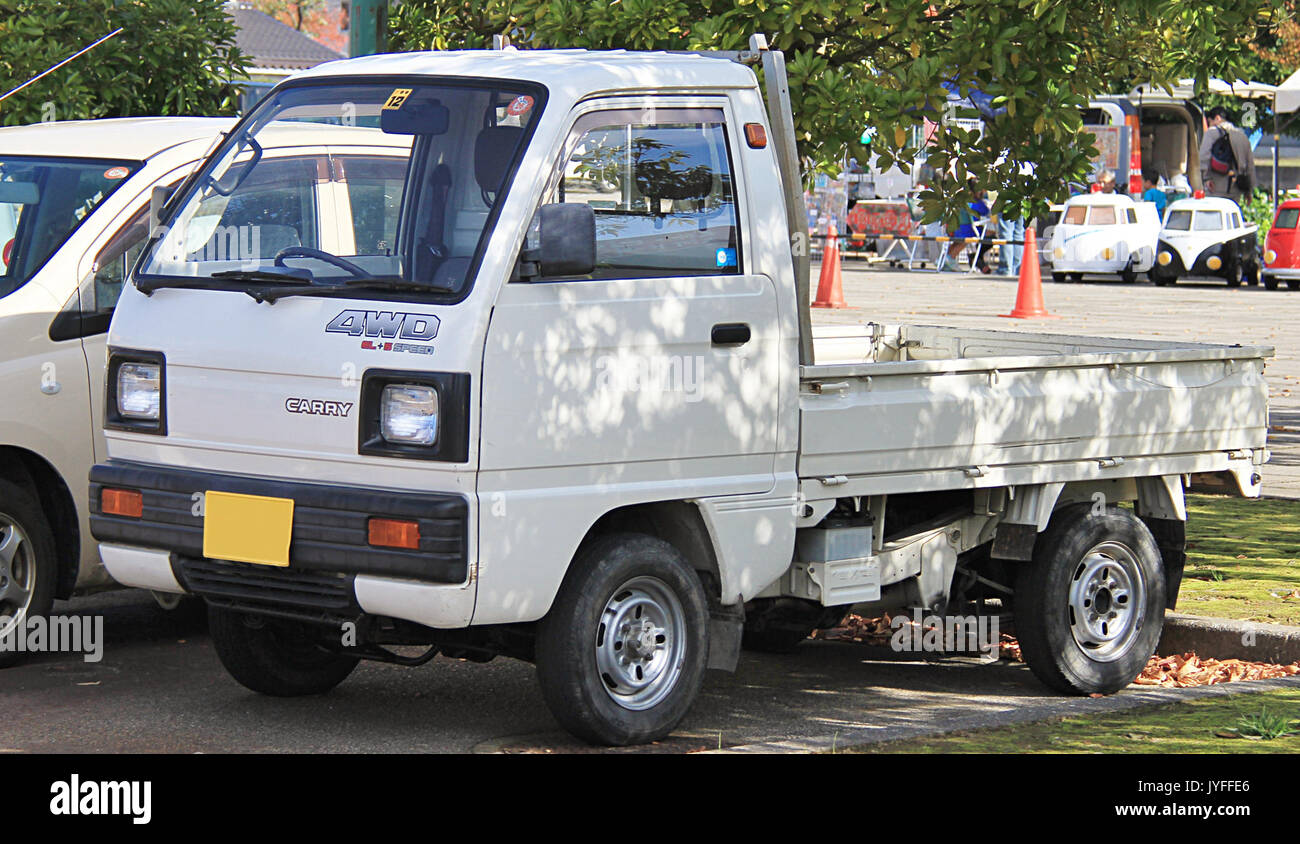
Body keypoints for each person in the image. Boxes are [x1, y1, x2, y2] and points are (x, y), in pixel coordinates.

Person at [1199, 106, 1255, 202]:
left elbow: (1204, 157)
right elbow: (1250, 165)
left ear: (1217, 118)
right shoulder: (1242, 137)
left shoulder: (1211, 133)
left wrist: (1206, 179)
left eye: (1210, 122)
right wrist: (1249, 190)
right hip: (1236, 188)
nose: (1210, 125)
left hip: (1215, 186)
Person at [940, 185, 990, 272]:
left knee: (958, 241)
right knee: (991, 235)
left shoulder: (960, 200)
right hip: (970, 230)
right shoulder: (976, 202)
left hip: (957, 228)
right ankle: (952, 258)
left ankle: (945, 259)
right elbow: (986, 212)